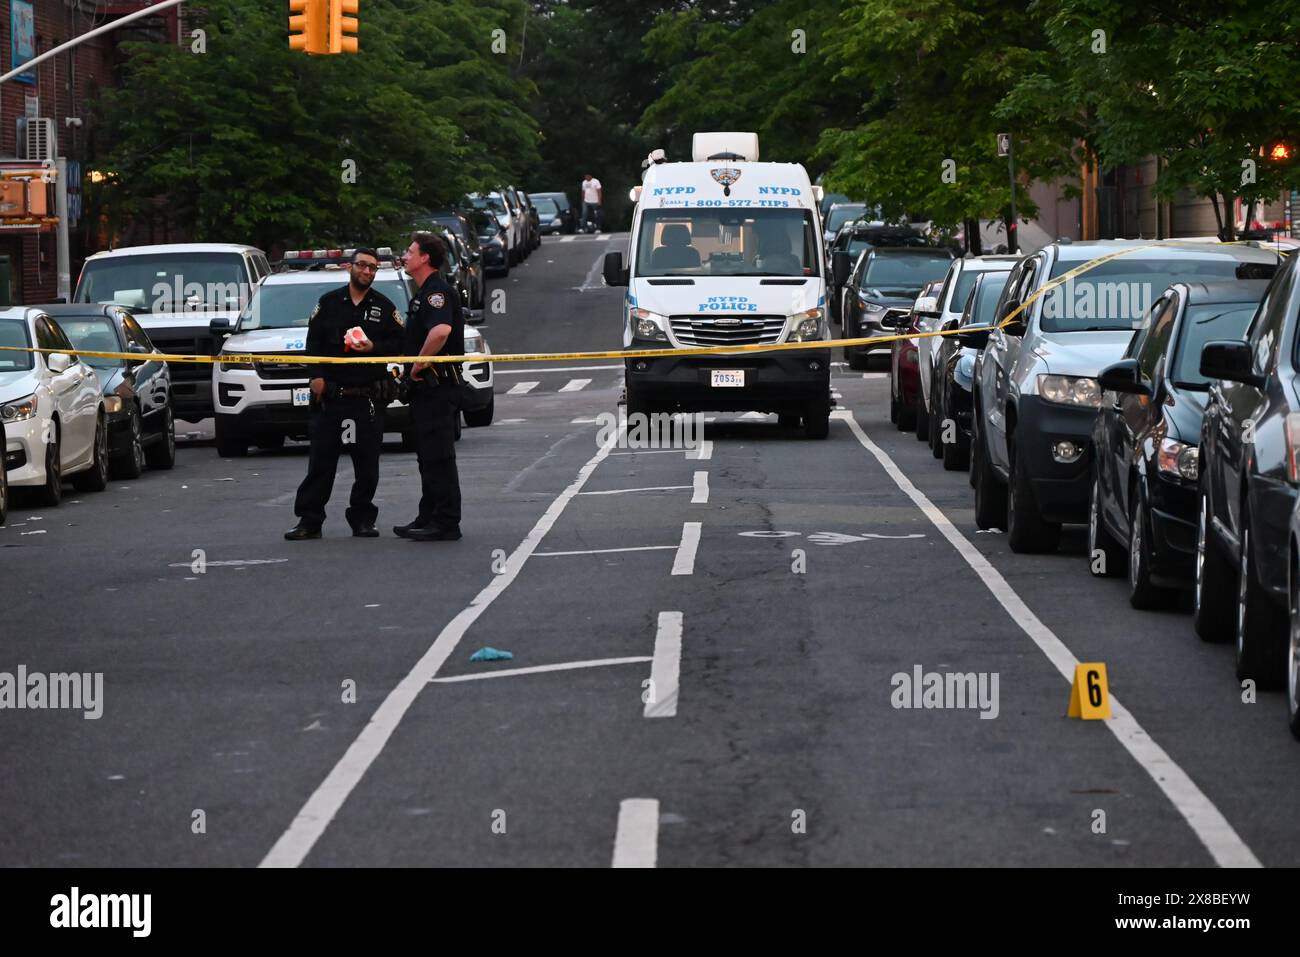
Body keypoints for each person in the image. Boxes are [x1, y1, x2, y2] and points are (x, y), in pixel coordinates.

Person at [285, 248, 405, 540]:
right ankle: (309, 520)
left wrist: (374, 348)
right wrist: (315, 377)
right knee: (321, 462)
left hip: (367, 398)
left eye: (372, 268)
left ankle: (363, 518)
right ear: (350, 267)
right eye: (362, 265)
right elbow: (313, 344)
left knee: (367, 464)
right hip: (331, 397)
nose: (366, 272)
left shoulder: (384, 307)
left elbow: (401, 343)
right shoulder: (328, 304)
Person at [393, 231, 464, 542]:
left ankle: (447, 522)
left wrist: (419, 364)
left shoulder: (437, 293)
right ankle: (429, 515)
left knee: (438, 456)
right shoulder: (421, 294)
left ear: (424, 258)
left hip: (438, 387)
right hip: (426, 391)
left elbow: (440, 332)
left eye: (410, 252)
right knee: (426, 456)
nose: (405, 256)